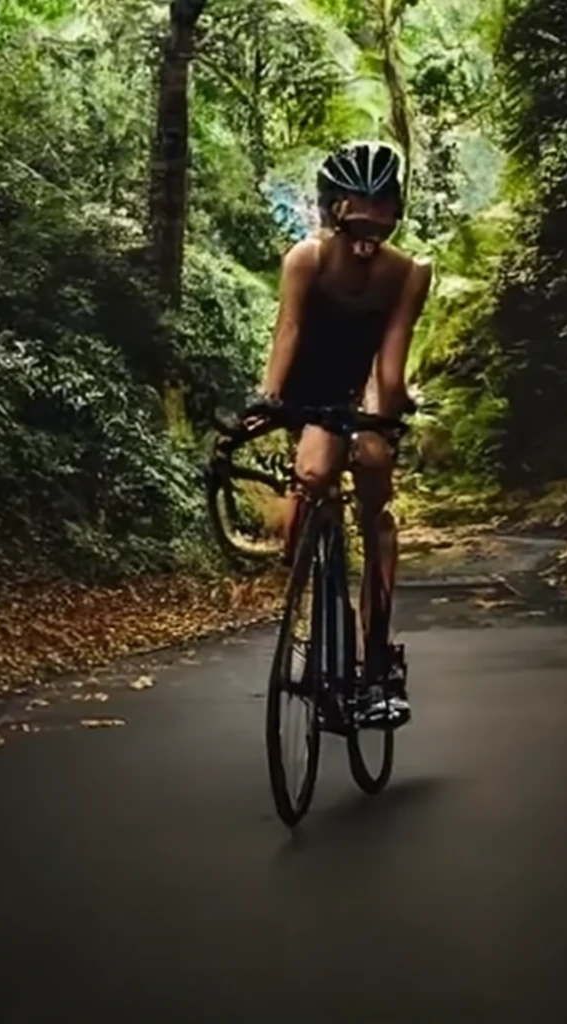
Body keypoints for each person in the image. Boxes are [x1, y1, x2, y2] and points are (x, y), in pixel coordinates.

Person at [249, 140, 433, 725]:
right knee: (311, 473)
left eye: (383, 211)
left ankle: (375, 658)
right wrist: (268, 402)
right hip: (310, 392)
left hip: (363, 390)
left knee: (374, 469)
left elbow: (390, 362)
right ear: (333, 210)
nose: (370, 225)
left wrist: (390, 412)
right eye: (357, 210)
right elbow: (289, 332)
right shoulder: (305, 260)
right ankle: (314, 590)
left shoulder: (407, 273)